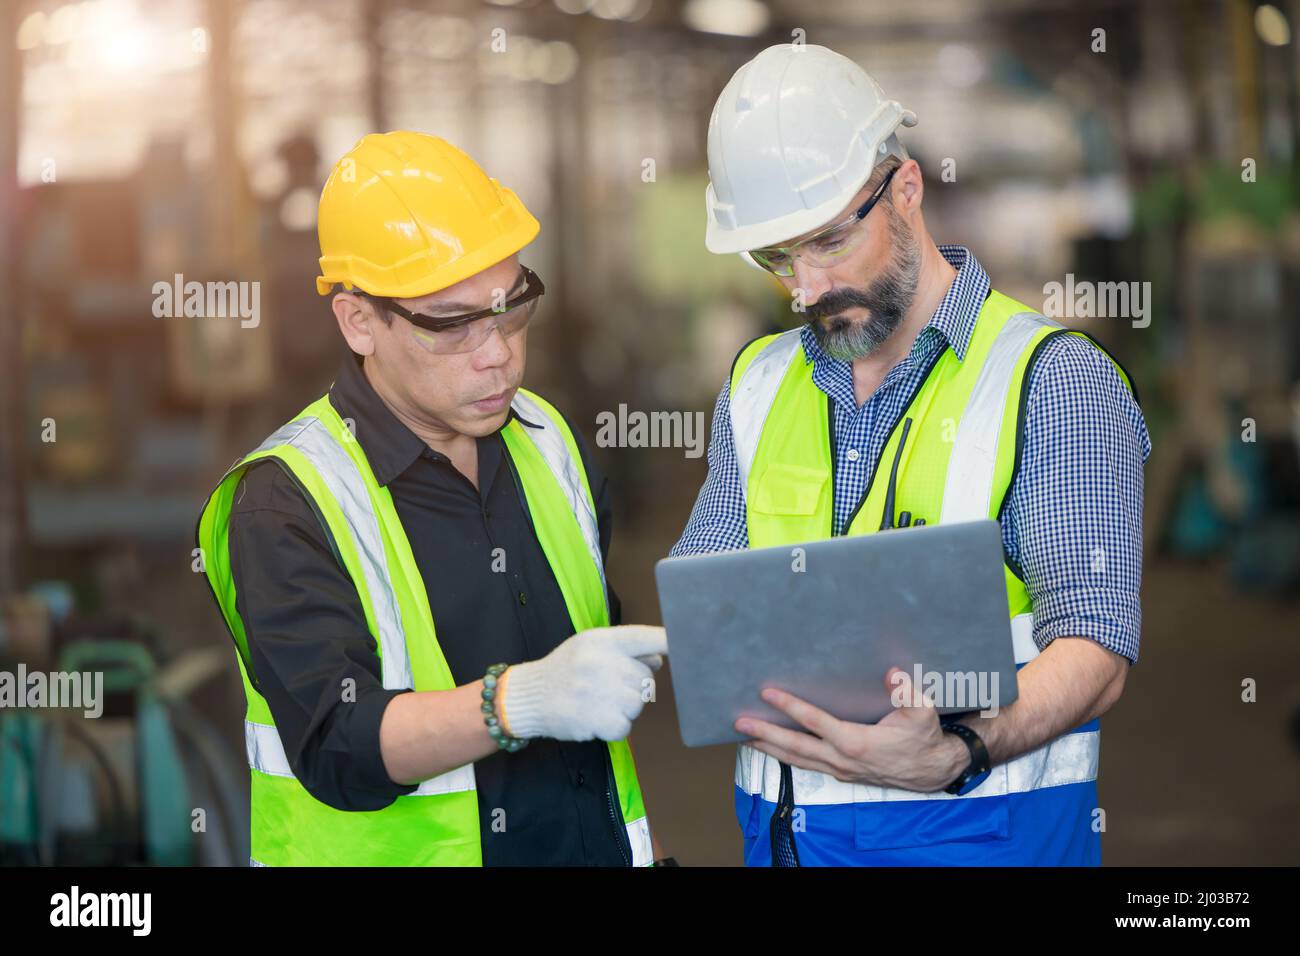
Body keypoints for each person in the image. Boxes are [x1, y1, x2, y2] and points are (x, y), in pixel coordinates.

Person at [672, 44, 1151, 866]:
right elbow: (708, 602)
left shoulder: (1053, 381)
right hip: (786, 846)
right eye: (777, 258)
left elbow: (1096, 647)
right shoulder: (759, 380)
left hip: (978, 842)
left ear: (905, 190)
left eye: (825, 242)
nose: (805, 288)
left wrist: (958, 752)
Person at [198, 131, 666, 866]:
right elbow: (336, 744)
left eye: (512, 308)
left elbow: (598, 739)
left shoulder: (547, 443)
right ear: (360, 322)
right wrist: (517, 702)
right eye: (451, 326)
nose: (498, 352)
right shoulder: (287, 500)